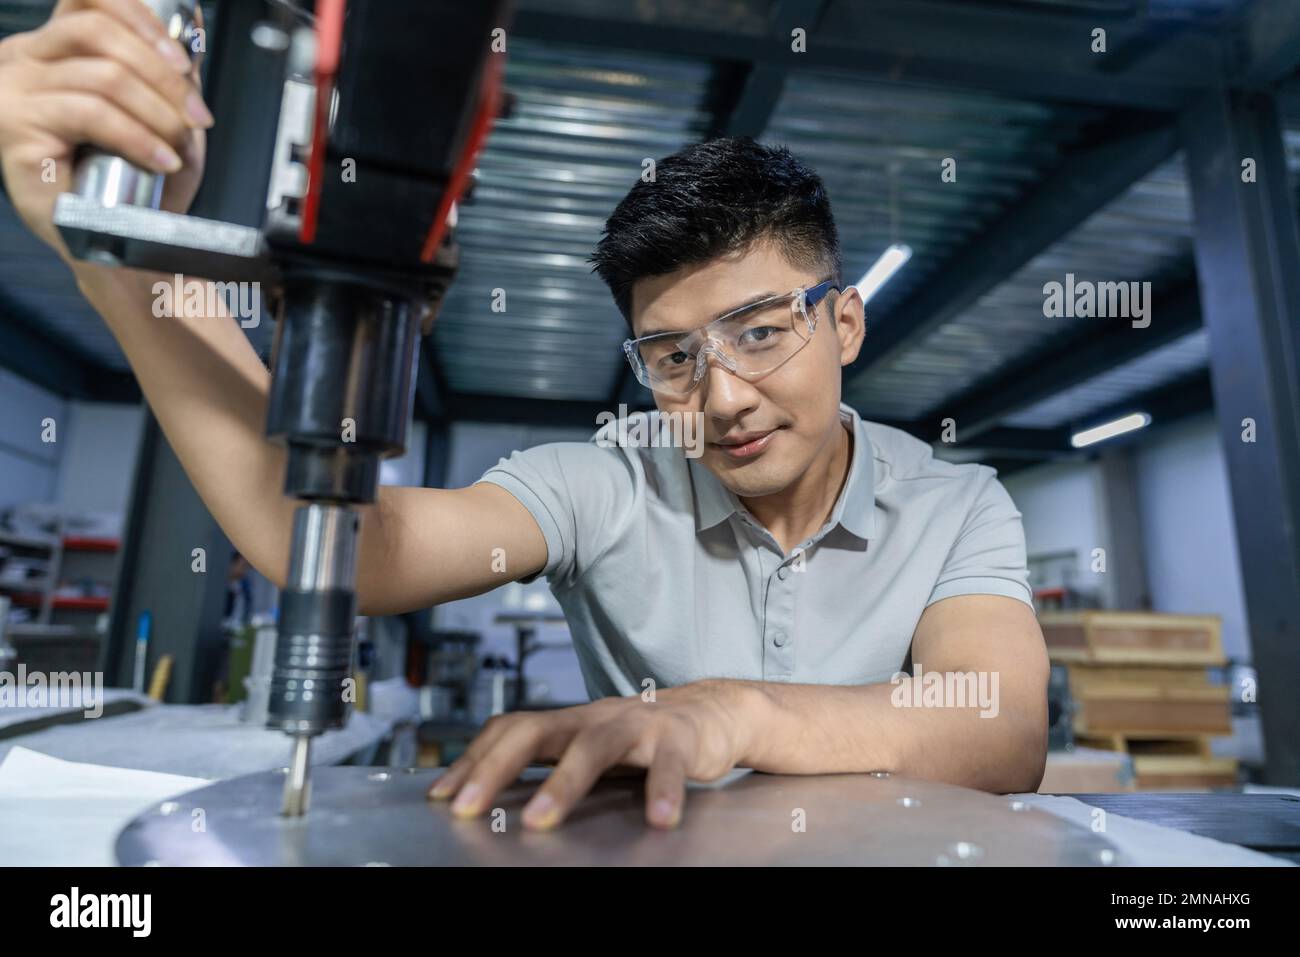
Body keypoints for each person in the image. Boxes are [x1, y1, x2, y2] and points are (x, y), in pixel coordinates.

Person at [0, 0, 1048, 832]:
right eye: (672, 357)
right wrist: (122, 269)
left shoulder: (951, 503)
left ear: (847, 323)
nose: (720, 397)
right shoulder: (610, 483)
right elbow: (343, 549)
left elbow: (999, 724)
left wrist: (726, 713)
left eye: (762, 332)